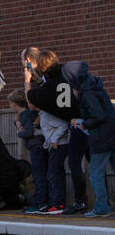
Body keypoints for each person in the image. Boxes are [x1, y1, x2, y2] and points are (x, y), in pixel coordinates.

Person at [27, 51, 88, 215]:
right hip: (81, 120)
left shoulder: (50, 87)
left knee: (72, 165)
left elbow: (34, 98)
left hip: (74, 126)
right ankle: (85, 200)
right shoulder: (67, 76)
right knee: (94, 163)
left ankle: (78, 201)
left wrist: (29, 81)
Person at [75, 63, 115, 218]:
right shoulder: (97, 88)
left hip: (101, 137)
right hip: (112, 132)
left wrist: (85, 123)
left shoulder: (87, 93)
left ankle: (102, 207)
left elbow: (98, 116)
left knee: (95, 172)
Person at [13, 90, 48, 214]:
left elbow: (28, 132)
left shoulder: (26, 115)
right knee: (41, 174)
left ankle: (40, 203)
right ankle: (42, 201)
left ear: (13, 104)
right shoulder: (29, 114)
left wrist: (19, 132)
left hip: (36, 146)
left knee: (39, 175)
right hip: (38, 145)